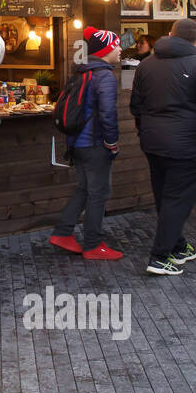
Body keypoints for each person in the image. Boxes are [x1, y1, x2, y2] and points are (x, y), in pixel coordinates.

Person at [129, 18, 196, 276]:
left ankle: (178, 246)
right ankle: (159, 257)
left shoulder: (146, 65)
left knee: (166, 197)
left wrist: (144, 132)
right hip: (188, 146)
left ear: (170, 34)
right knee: (177, 200)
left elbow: (135, 106)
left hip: (153, 143)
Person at [49, 27, 123, 261]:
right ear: (106, 50)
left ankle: (63, 232)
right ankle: (93, 245)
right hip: (94, 145)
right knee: (99, 192)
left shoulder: (81, 73)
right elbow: (108, 115)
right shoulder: (105, 77)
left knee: (85, 188)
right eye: (117, 45)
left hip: (77, 144)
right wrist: (112, 142)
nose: (120, 49)